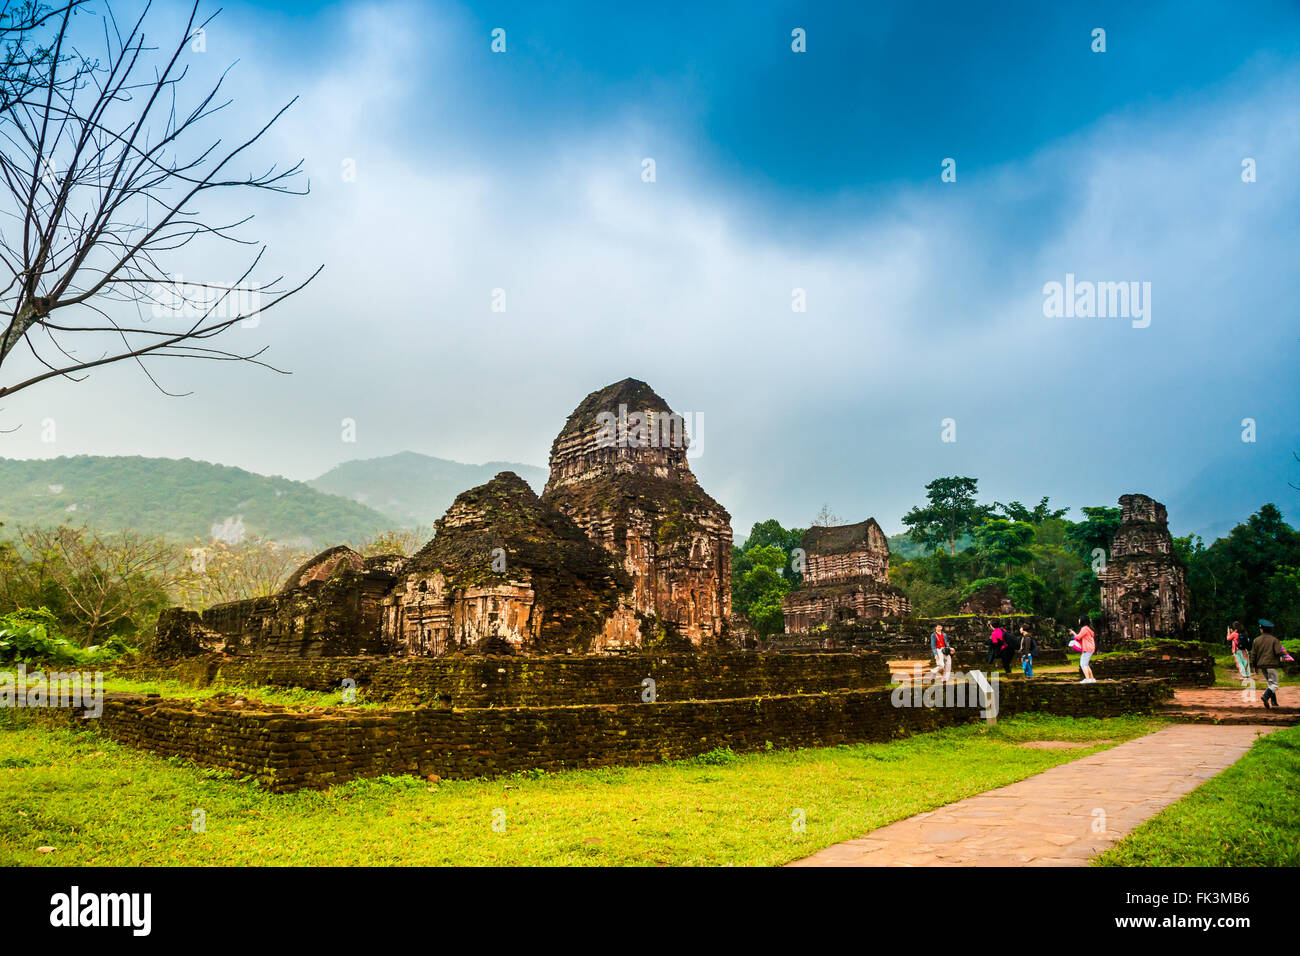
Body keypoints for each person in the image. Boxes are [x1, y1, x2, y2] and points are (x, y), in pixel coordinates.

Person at [1249, 619, 1284, 709]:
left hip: (1262, 665)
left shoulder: (1256, 640)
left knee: (1270, 683)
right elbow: (1278, 652)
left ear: (1261, 629)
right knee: (1274, 684)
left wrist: (1254, 666)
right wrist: (1284, 654)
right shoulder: (1274, 640)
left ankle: (1274, 702)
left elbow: (1253, 654)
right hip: (1271, 665)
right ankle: (1265, 696)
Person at [1069, 617, 1096, 684]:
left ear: (1082, 621)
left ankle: (1087, 679)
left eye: (1080, 619)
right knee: (1086, 664)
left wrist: (1073, 633)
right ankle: (1092, 679)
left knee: (1083, 664)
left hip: (1087, 648)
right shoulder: (1088, 628)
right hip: (1090, 647)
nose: (1079, 620)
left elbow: (1078, 637)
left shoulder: (1084, 629)